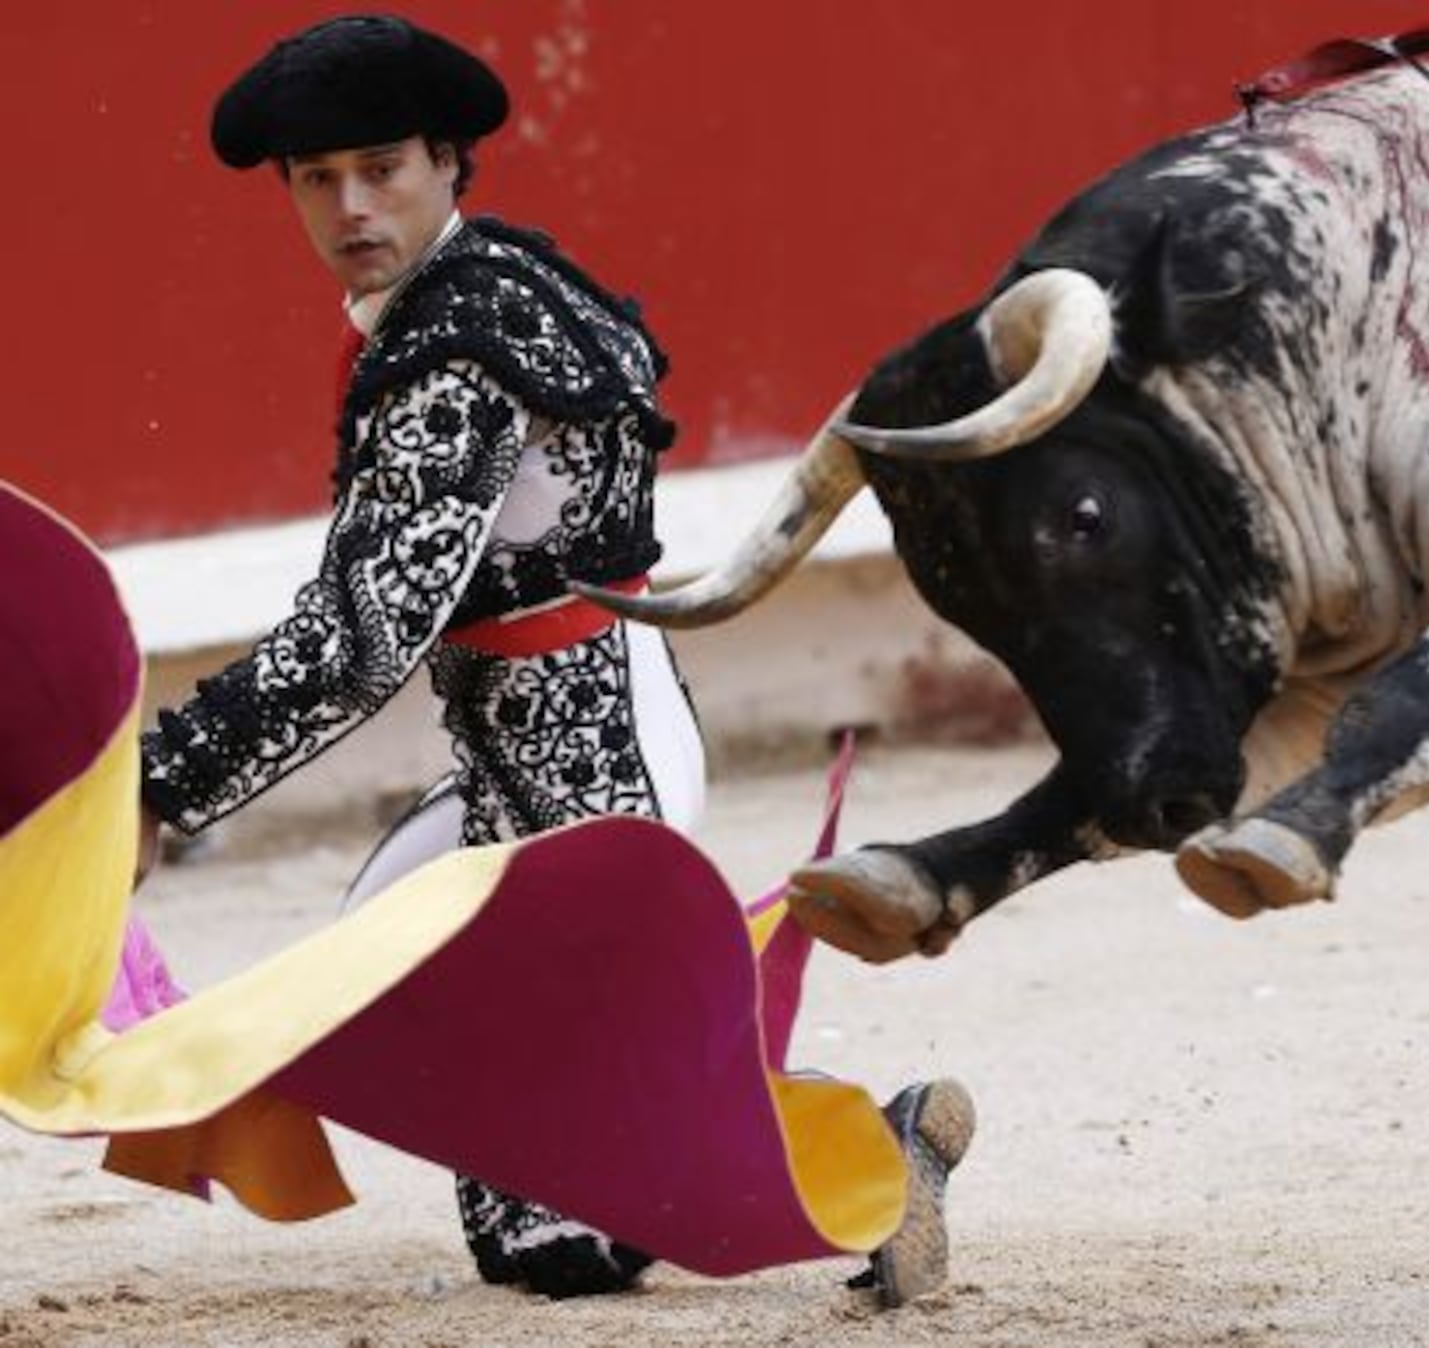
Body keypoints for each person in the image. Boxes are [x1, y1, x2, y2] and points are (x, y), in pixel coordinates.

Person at [134, 13, 972, 1303]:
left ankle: (874, 1149)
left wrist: (160, 789)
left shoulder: (458, 350)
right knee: (382, 988)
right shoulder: (491, 285)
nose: (350, 205)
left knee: (561, 1234)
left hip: (594, 769)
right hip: (515, 759)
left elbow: (363, 639)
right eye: (317, 180)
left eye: (381, 168)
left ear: (446, 160)